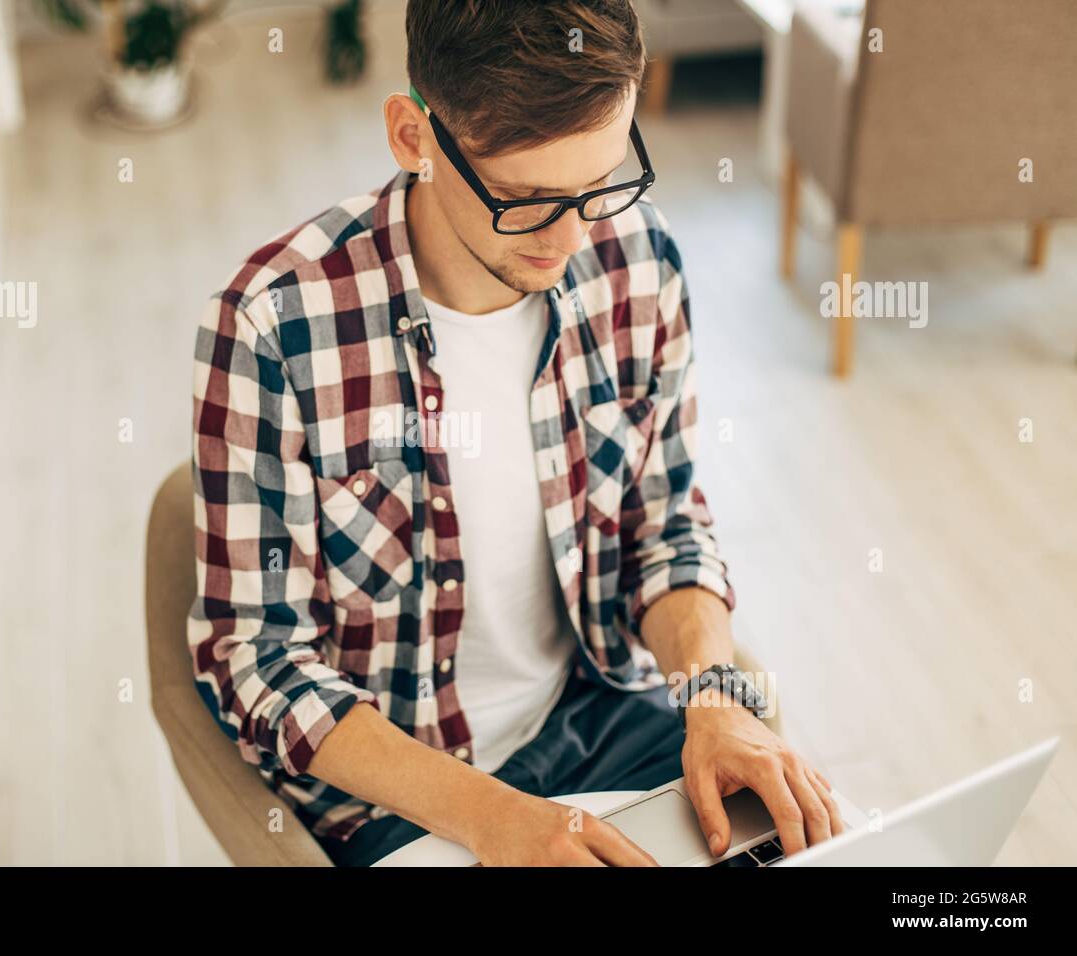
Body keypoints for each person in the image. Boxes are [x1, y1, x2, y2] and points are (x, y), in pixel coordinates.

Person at [189, 0, 842, 866]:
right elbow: (259, 660)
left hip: (597, 715)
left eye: (603, 180)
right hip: (401, 797)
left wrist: (715, 696)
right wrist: (493, 818)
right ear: (413, 136)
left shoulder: (636, 256)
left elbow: (664, 526)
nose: (575, 237)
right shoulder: (274, 327)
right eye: (529, 200)